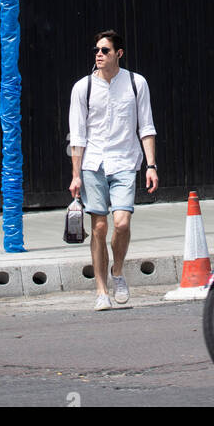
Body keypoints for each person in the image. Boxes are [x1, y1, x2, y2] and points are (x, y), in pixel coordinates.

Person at [68, 31, 158, 311]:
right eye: (96, 49)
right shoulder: (83, 88)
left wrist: (151, 165)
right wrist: (75, 175)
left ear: (119, 53)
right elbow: (77, 134)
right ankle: (101, 290)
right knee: (99, 227)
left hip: (125, 161)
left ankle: (117, 271)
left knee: (121, 223)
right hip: (93, 163)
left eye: (105, 50)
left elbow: (146, 127)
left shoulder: (135, 83)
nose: (99, 54)